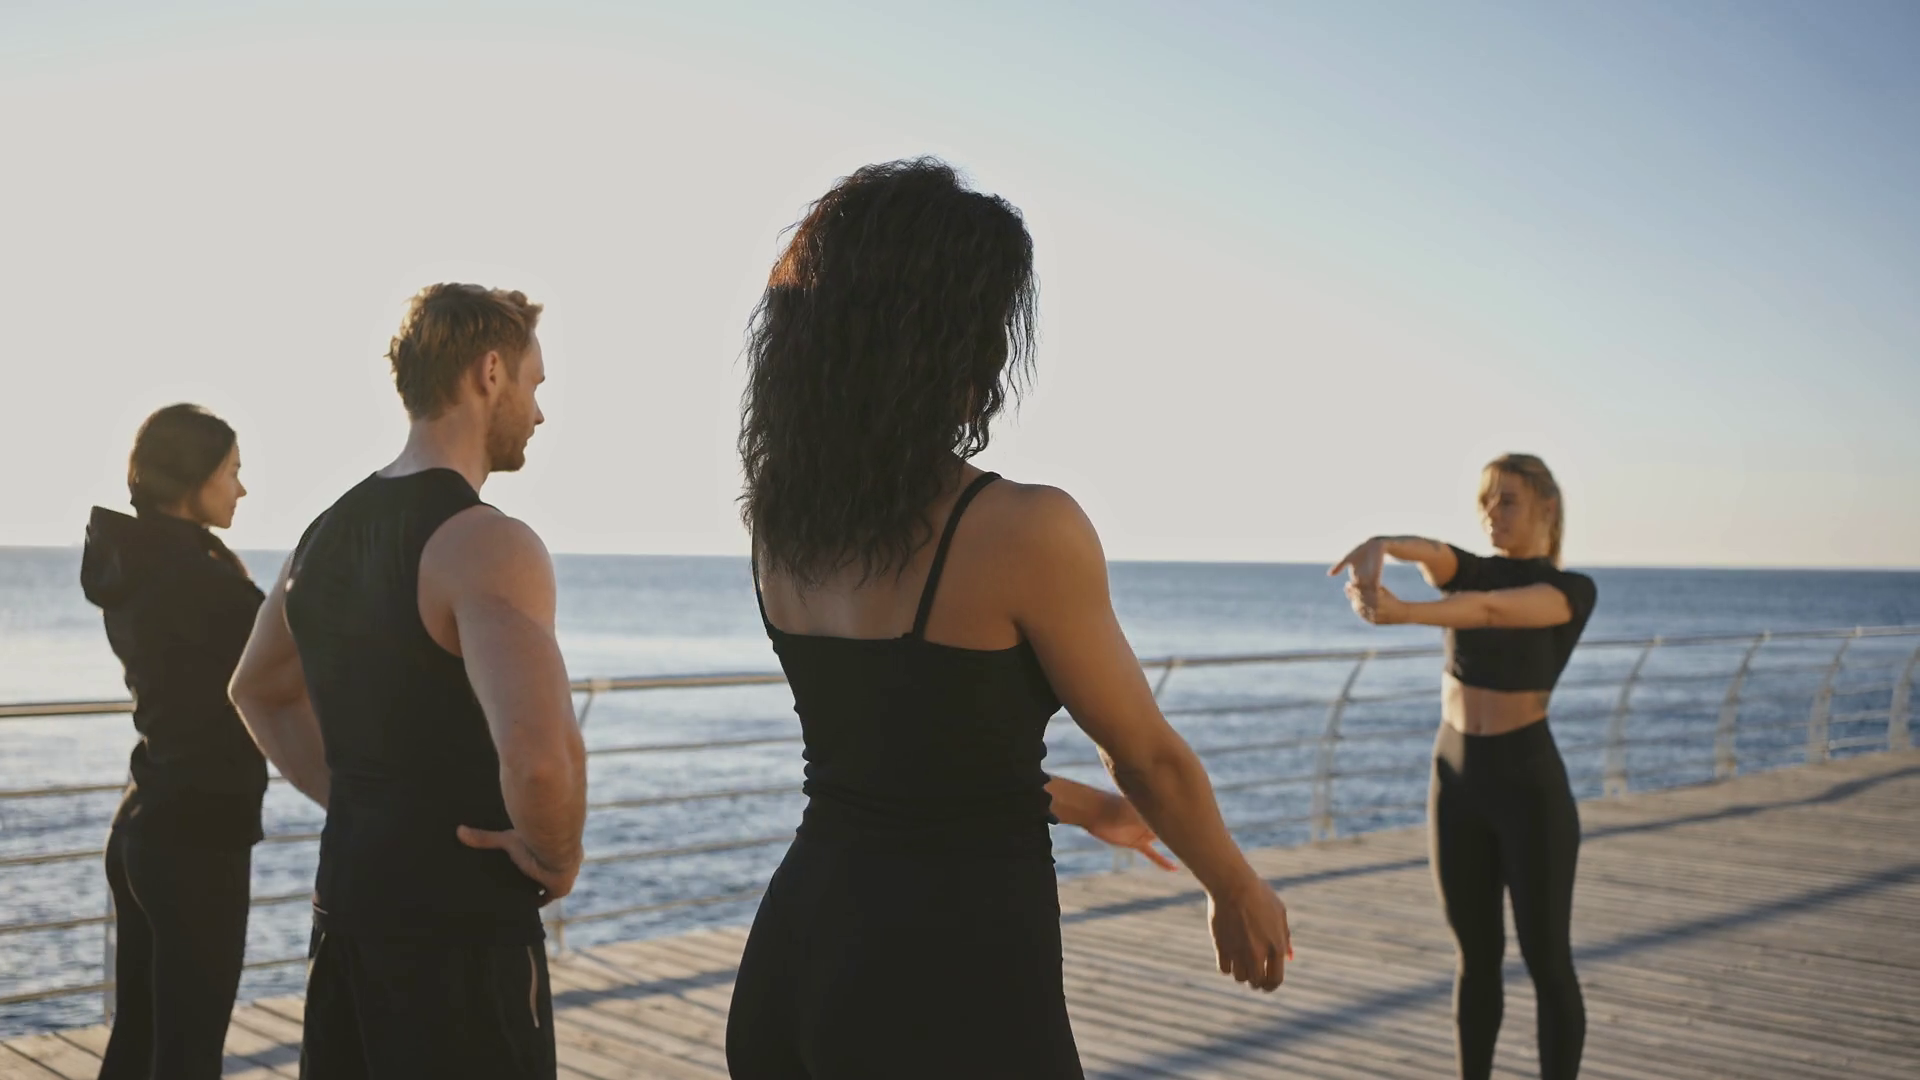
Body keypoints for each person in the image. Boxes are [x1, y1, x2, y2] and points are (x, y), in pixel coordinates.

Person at [725, 158, 1293, 1080]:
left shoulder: (777, 525)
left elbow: (894, 768)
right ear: (952, 339)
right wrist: (1234, 885)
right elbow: (1147, 752)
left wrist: (1089, 809)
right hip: (951, 976)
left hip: (798, 956)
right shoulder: (1024, 528)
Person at [229, 284, 586, 1080]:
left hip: (346, 919)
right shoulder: (489, 544)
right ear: (490, 372)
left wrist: (365, 797)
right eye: (534, 384)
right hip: (461, 938)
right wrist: (557, 855)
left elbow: (256, 689)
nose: (538, 410)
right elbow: (540, 759)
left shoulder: (319, 539)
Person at [1330, 453, 1596, 1080]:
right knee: (1474, 959)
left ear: (1546, 507)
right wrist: (1382, 543)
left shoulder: (1569, 591)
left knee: (1546, 961)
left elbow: (1491, 611)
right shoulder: (1474, 570)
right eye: (1485, 501)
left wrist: (1406, 613)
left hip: (1528, 786)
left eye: (1507, 500)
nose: (1491, 513)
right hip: (1454, 780)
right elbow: (1436, 555)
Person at [81, 404, 264, 1080]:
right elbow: (289, 664)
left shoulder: (140, 564)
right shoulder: (201, 582)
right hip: (197, 835)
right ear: (195, 480)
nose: (241, 489)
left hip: (145, 821)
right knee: (187, 1054)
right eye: (233, 473)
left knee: (139, 1041)